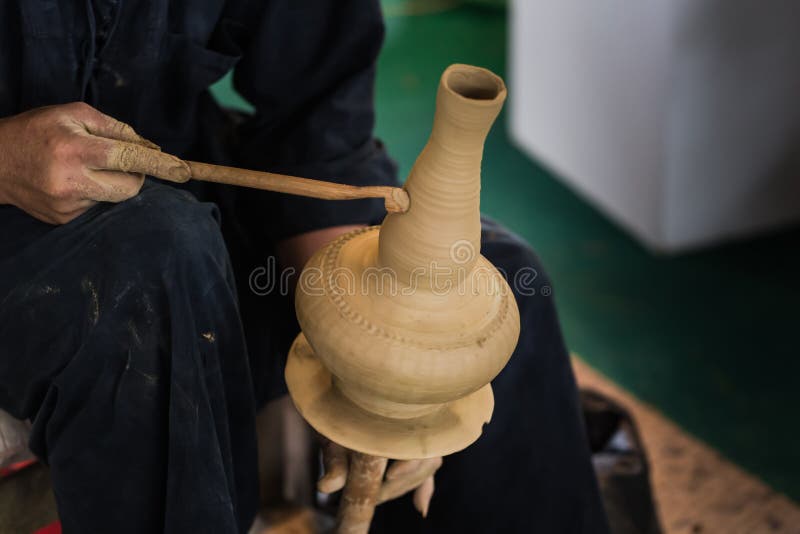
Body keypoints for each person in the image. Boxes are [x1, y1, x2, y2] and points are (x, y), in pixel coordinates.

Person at [0, 1, 610, 532]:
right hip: (64, 248)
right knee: (155, 277)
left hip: (164, 182)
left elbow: (316, 122)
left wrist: (368, 342)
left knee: (493, 287)